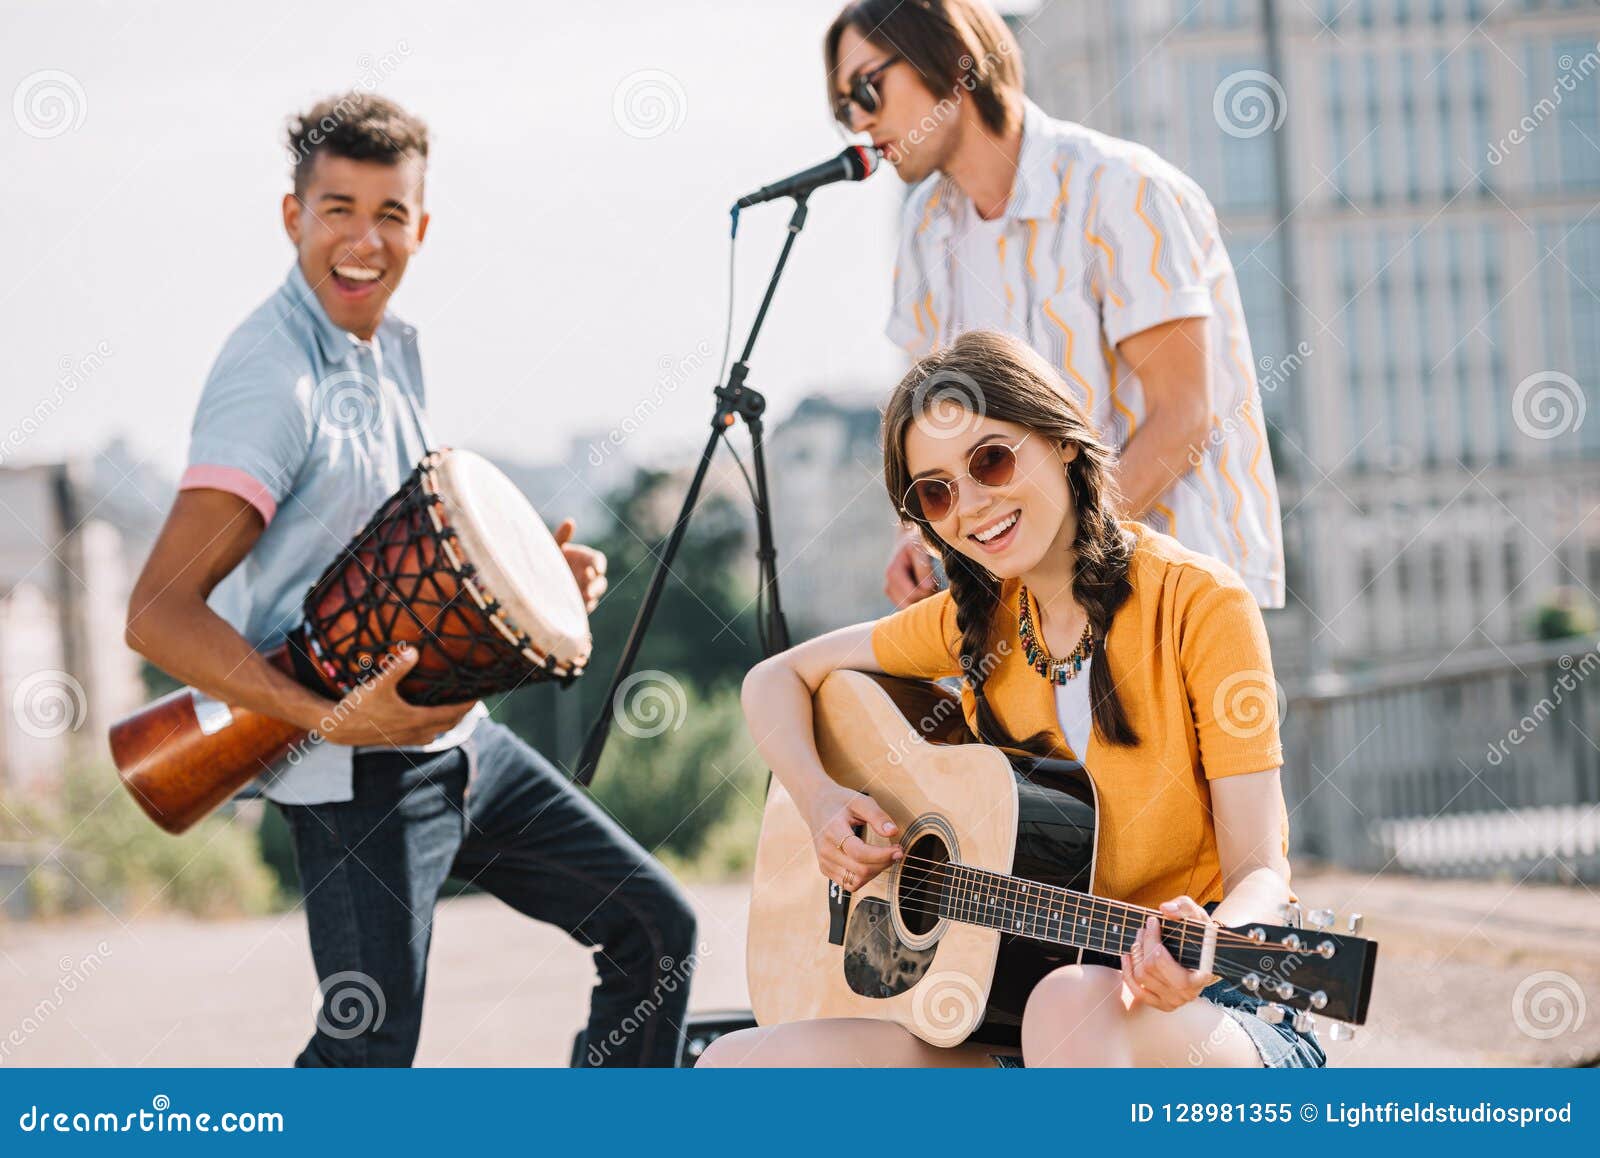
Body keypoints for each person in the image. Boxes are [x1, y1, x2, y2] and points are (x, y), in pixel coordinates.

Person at [124, 92, 696, 1067]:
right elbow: (156, 615)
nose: (364, 238)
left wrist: (531, 581)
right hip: (355, 775)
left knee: (655, 936)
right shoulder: (272, 376)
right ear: (291, 215)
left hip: (461, 745)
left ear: (420, 226)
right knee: (368, 1054)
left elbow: (398, 556)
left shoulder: (391, 348)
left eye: (389, 213)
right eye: (337, 207)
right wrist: (326, 716)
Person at [698, 330, 1322, 1068]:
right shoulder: (979, 622)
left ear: (1058, 440)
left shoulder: (1199, 602)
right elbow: (773, 679)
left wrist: (1210, 947)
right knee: (733, 1067)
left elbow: (1261, 872)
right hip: (1023, 1023)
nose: (971, 506)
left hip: (1211, 1014)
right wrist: (822, 803)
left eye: (990, 459)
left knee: (1068, 1006)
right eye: (937, 491)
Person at [824, 0, 1285, 612]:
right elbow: (935, 441)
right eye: (841, 107)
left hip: (1172, 599)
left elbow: (1185, 418)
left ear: (948, 56)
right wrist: (920, 536)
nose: (858, 121)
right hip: (1031, 614)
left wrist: (1043, 562)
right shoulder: (923, 230)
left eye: (866, 87)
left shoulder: (1121, 188)